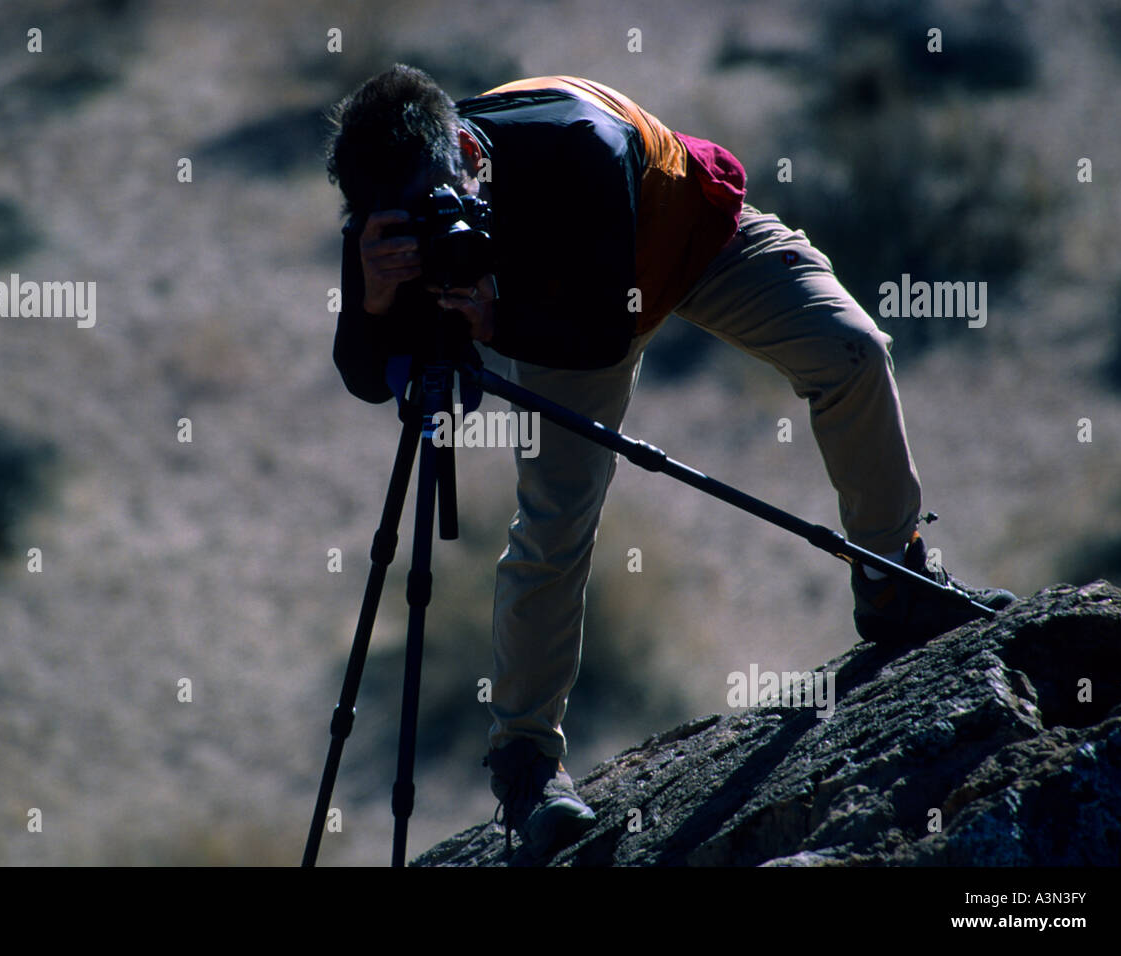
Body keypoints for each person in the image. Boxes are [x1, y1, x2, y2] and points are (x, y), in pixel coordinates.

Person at [324, 64, 1016, 857]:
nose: (432, 219)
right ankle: (525, 766)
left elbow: (603, 328)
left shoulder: (577, 144)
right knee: (555, 518)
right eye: (401, 216)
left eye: (444, 199)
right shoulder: (393, 208)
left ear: (469, 153)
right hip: (542, 310)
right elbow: (364, 376)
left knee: (852, 352)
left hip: (675, 240)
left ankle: (895, 576)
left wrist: (495, 321)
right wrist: (378, 297)